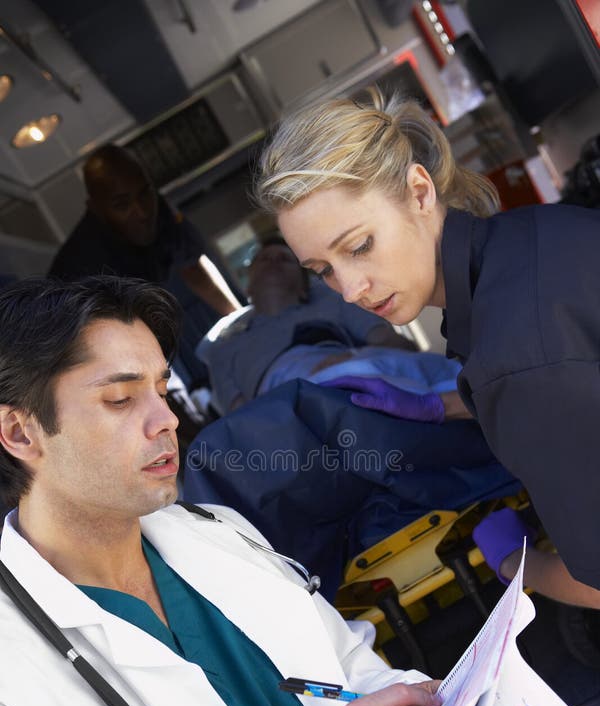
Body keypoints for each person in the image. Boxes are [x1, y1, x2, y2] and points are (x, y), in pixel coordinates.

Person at [0, 274, 506, 706]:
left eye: (162, 390)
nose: (167, 421)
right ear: (21, 434)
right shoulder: (12, 675)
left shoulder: (217, 534)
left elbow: (346, 669)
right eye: (121, 400)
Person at [254, 86, 600, 613]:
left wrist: (514, 562)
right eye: (324, 271)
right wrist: (449, 405)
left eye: (359, 247)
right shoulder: (539, 230)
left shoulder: (513, 361)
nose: (350, 290)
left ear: (419, 192)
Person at [198, 237, 464, 414]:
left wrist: (353, 359)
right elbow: (242, 418)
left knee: (449, 373)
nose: (274, 265)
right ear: (249, 284)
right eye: (265, 260)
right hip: (284, 398)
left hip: (357, 362)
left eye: (284, 259)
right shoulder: (225, 343)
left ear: (304, 284)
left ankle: (479, 398)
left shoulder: (333, 300)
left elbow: (395, 345)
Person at [48, 144, 240, 389]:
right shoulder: (83, 267)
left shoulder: (160, 208)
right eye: (122, 204)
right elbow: (103, 355)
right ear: (96, 209)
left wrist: (241, 319)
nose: (142, 211)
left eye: (145, 193)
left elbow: (193, 267)